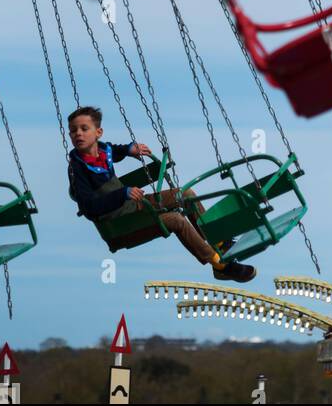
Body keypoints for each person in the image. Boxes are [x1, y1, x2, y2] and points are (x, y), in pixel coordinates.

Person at [67, 105, 256, 283]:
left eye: (84, 128)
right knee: (175, 220)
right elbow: (88, 207)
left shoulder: (103, 149)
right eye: (74, 131)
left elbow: (114, 150)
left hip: (133, 205)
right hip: (120, 223)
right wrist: (122, 194)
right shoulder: (77, 168)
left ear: (98, 133)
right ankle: (219, 265)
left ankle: (219, 241)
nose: (78, 134)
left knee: (186, 194)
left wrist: (129, 149)